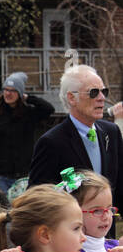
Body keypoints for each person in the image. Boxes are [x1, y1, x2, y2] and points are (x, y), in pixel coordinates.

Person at [29, 64, 123, 198]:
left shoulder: (111, 131)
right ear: (72, 98)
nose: (102, 98)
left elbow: (120, 185)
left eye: (104, 91)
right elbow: (37, 197)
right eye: (94, 92)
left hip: (107, 217)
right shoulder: (51, 142)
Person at [0, 72, 54, 192]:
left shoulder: (28, 113)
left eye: (13, 90)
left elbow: (48, 109)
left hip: (23, 175)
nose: (8, 93)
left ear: (20, 93)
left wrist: (28, 98)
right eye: (6, 89)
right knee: (2, 209)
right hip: (1, 174)